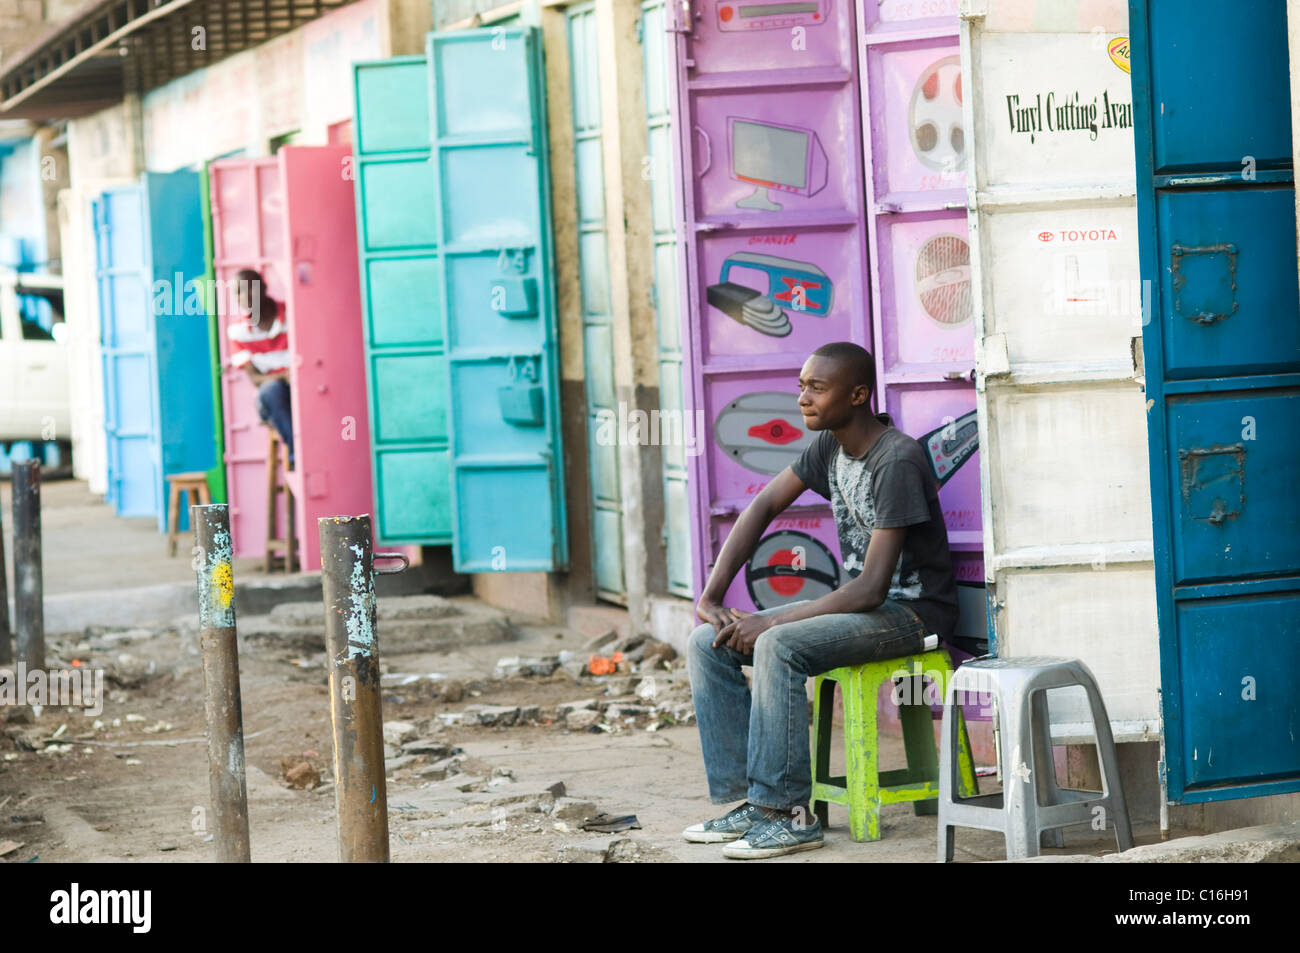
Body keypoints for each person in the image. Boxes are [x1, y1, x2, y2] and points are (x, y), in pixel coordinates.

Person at [683, 341, 959, 859]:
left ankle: (790, 814)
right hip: (865, 608)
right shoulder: (829, 446)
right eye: (801, 386)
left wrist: (771, 622)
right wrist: (712, 595)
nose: (802, 398)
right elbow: (764, 503)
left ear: (857, 395)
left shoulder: (895, 458)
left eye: (816, 387)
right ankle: (753, 802)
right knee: (707, 641)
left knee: (779, 645)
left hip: (912, 612)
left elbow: (873, 587)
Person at [227, 268, 293, 468]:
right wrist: (285, 375)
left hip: (300, 388)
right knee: (272, 390)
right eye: (238, 291)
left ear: (264, 288)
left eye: (250, 288)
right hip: (271, 400)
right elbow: (255, 379)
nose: (245, 295)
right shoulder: (237, 332)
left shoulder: (292, 314)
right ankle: (297, 455)